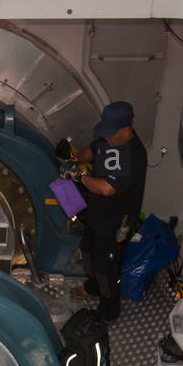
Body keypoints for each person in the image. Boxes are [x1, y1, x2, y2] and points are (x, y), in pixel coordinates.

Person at [71, 101, 147, 321]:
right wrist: (74, 160)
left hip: (115, 220)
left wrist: (78, 176)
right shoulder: (109, 139)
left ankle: (108, 310)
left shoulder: (134, 155)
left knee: (106, 266)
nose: (107, 138)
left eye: (111, 134)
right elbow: (91, 151)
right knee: (88, 251)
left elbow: (106, 189)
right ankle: (92, 288)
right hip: (96, 213)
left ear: (126, 129)